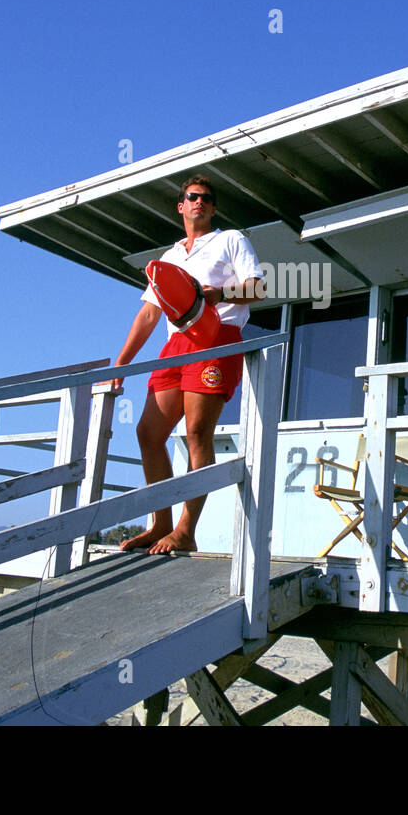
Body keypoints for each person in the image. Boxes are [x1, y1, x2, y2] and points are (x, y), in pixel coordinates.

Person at [112, 175, 264, 554]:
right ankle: (159, 524)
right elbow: (148, 316)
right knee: (149, 433)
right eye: (193, 197)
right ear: (180, 206)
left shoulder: (231, 239)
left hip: (218, 335)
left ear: (213, 208)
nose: (200, 203)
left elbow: (259, 288)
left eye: (208, 199)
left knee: (198, 431)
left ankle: (185, 529)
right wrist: (119, 366)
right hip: (176, 344)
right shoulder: (169, 258)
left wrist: (220, 293)